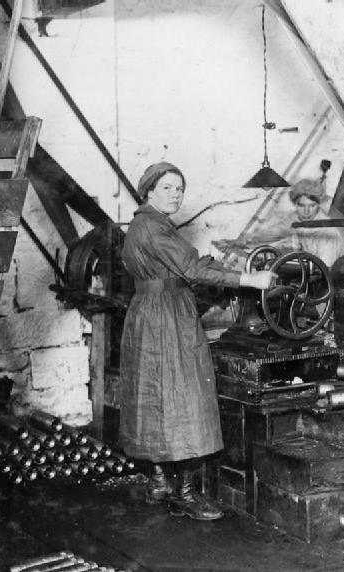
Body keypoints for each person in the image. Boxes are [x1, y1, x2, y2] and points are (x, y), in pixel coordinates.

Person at [119, 162, 274, 520]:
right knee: (186, 399)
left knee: (152, 397)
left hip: (148, 311)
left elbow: (186, 265)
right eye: (169, 188)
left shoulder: (146, 223)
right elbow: (192, 270)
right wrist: (251, 280)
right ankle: (185, 496)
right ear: (150, 191)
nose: (176, 194)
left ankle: (160, 482)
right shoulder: (155, 228)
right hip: (168, 316)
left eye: (180, 188)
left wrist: (224, 269)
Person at [289, 178, 344, 268]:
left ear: (318, 205)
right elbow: (293, 252)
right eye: (302, 205)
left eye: (312, 205)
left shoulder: (328, 234)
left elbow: (325, 272)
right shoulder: (297, 225)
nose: (306, 211)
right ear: (295, 205)